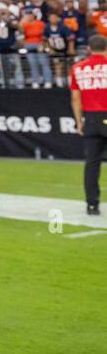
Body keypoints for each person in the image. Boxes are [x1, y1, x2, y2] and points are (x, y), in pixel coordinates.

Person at [69, 33, 107, 216]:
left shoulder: (78, 68)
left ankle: (92, 205)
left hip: (90, 118)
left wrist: (79, 122)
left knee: (92, 163)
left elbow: (75, 98)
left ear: (89, 49)